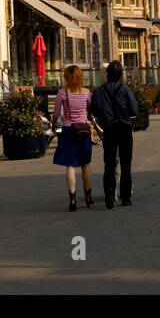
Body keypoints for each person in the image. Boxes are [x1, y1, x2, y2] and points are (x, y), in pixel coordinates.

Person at [90, 61, 138, 209]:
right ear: (120, 75)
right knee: (125, 163)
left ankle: (109, 194)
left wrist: (104, 117)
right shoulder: (125, 90)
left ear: (107, 74)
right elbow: (134, 111)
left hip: (109, 129)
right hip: (124, 127)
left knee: (109, 163)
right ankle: (125, 197)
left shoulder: (98, 91)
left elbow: (94, 110)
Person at [52, 65, 94, 211]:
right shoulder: (86, 92)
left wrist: (53, 125)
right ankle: (88, 196)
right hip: (83, 129)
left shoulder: (62, 93)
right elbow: (88, 110)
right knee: (85, 163)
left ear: (66, 77)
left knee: (70, 165)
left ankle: (73, 200)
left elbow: (56, 112)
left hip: (69, 129)